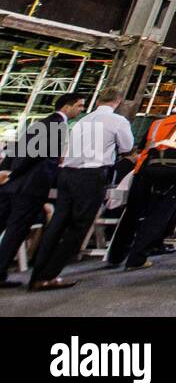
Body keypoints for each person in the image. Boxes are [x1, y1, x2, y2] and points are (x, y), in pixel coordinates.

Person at [27, 89, 134, 291]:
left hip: (67, 173)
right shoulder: (118, 122)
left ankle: (37, 273)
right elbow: (127, 146)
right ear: (118, 101)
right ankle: (49, 275)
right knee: (78, 227)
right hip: (91, 175)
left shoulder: (81, 121)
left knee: (57, 224)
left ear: (99, 101)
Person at [109, 93, 176, 271]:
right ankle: (137, 258)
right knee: (158, 216)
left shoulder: (157, 123)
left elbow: (141, 147)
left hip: (143, 171)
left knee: (132, 214)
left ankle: (116, 254)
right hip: (170, 173)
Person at [0, 91, 84, 286]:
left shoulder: (39, 123)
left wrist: (6, 172)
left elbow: (18, 149)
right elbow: (36, 156)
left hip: (11, 185)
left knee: (5, 225)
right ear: (67, 106)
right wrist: (15, 173)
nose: (81, 110)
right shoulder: (58, 125)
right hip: (30, 186)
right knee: (16, 230)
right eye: (79, 106)